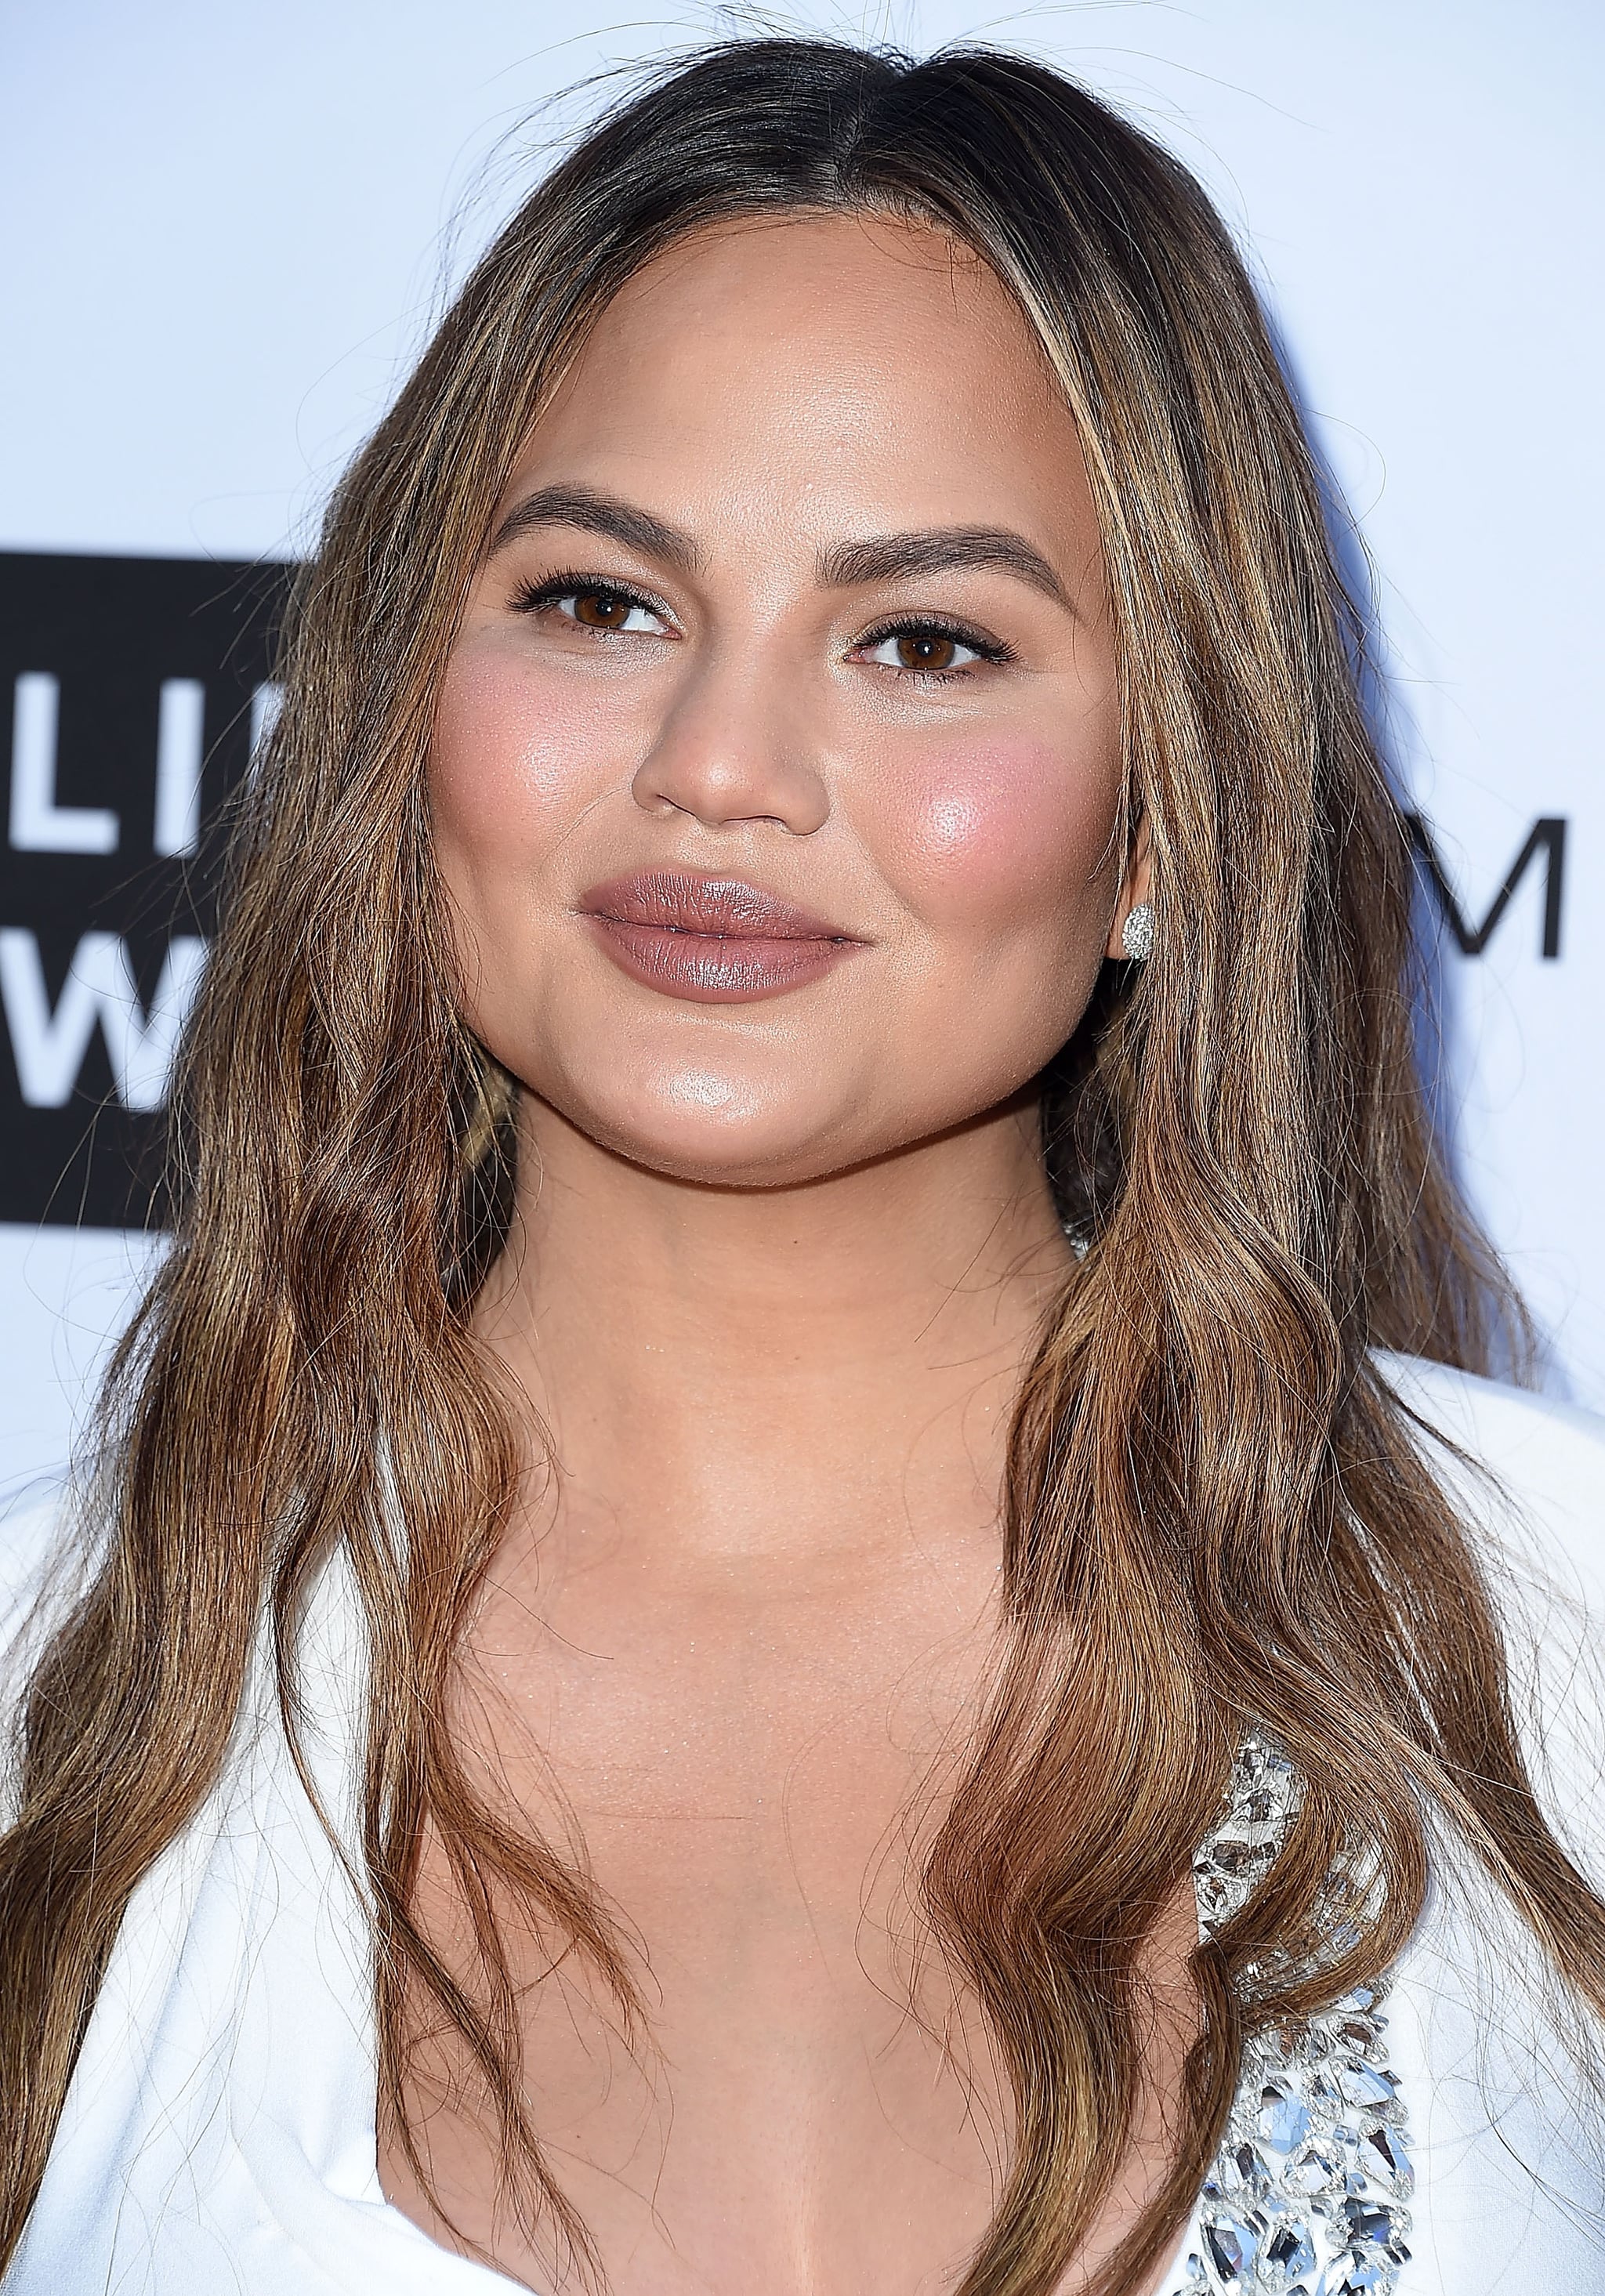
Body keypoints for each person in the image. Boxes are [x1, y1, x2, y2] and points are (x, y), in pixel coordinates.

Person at [2, 35, 1603, 2296]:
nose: (720, 765)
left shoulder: (1558, 1644)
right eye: (601, 603)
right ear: (402, 699)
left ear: (1162, 825)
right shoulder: (53, 1698)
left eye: (925, 640)